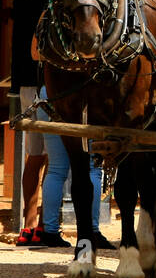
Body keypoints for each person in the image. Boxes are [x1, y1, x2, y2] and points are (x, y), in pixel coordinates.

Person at [37, 85, 115, 250]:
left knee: (56, 169)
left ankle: (49, 231)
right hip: (87, 95)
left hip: (49, 95)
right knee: (93, 168)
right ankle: (92, 230)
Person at [10, 0, 51, 246]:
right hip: (49, 82)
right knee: (53, 159)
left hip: (25, 81)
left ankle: (29, 223)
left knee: (34, 155)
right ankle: (46, 223)